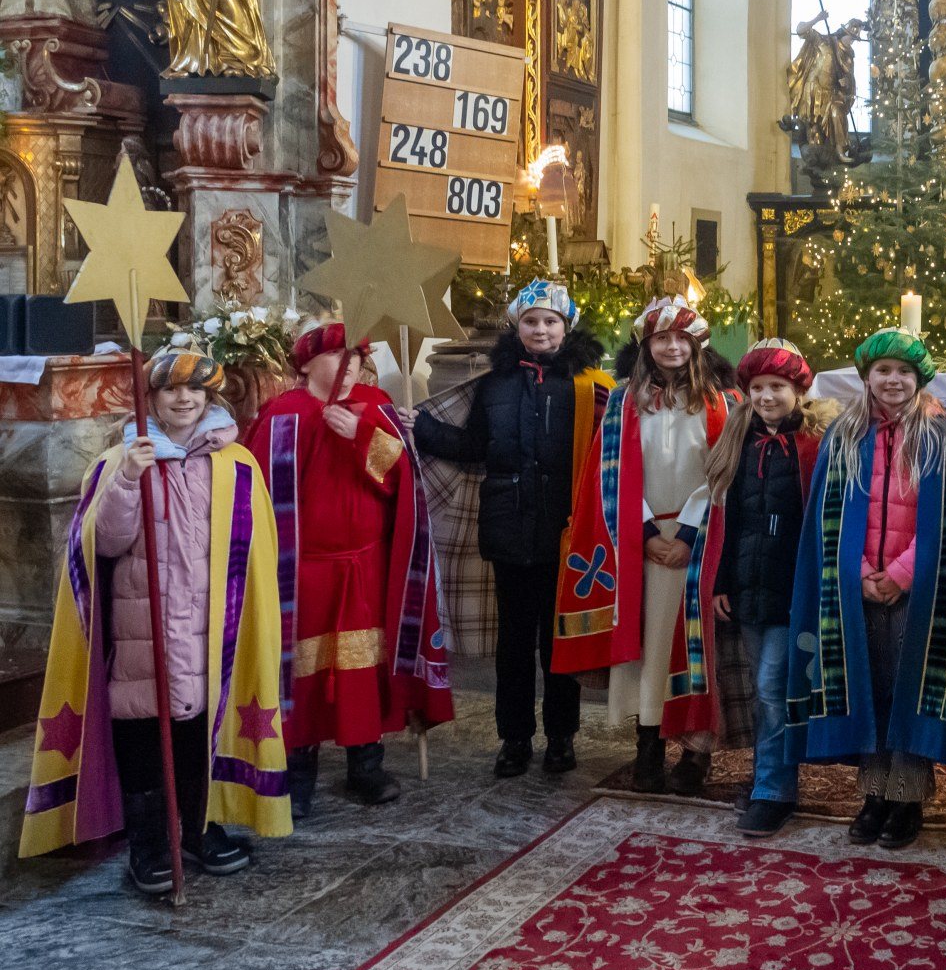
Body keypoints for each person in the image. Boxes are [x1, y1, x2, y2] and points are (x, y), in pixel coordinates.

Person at [20, 346, 291, 891]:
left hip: (210, 632)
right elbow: (104, 542)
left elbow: (254, 559)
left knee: (196, 735)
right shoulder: (121, 462)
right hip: (140, 636)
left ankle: (195, 829)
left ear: (209, 396)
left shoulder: (237, 466)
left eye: (194, 389)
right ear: (151, 398)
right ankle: (148, 843)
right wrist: (126, 479)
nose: (183, 398)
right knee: (143, 740)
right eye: (170, 389)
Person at [786, 328, 946, 850]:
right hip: (856, 586)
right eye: (883, 371)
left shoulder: (940, 434)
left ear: (920, 378)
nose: (893, 381)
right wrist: (856, 575)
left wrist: (898, 576)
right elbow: (825, 518)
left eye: (904, 372)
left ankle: (907, 797)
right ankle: (874, 795)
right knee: (867, 683)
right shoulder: (844, 435)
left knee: (905, 686)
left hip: (917, 588)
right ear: (866, 376)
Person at [409, 281, 613, 778]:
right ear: (515, 325)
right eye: (530, 320)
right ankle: (515, 739)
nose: (540, 330)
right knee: (514, 645)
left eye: (550, 321)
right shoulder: (494, 384)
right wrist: (418, 427)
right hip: (508, 531)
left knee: (560, 643)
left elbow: (609, 453)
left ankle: (562, 737)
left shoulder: (591, 385)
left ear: (566, 326)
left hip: (568, 536)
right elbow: (473, 446)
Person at [249, 322, 454, 815]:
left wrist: (364, 434)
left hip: (366, 564)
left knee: (364, 667)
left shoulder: (375, 405)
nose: (349, 367)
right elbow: (254, 494)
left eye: (357, 356)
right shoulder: (283, 415)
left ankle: (366, 765)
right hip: (303, 572)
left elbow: (400, 480)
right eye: (336, 355)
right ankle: (297, 770)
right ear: (304, 364)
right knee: (302, 670)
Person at [553, 297, 737, 795]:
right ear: (646, 345)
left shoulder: (724, 401)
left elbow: (726, 474)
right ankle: (648, 743)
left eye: (681, 337)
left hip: (699, 543)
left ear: (698, 342)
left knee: (695, 647)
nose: (672, 347)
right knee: (647, 648)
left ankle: (696, 753)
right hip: (641, 541)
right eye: (661, 338)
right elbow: (607, 475)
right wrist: (650, 532)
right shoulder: (623, 400)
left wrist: (690, 532)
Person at [705, 339, 824, 837]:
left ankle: (774, 790)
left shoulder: (816, 444)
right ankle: (766, 777)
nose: (768, 396)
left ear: (798, 390)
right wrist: (722, 582)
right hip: (748, 587)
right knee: (762, 687)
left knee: (773, 688)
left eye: (778, 386)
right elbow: (725, 522)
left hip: (791, 584)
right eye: (758, 388)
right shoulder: (740, 442)